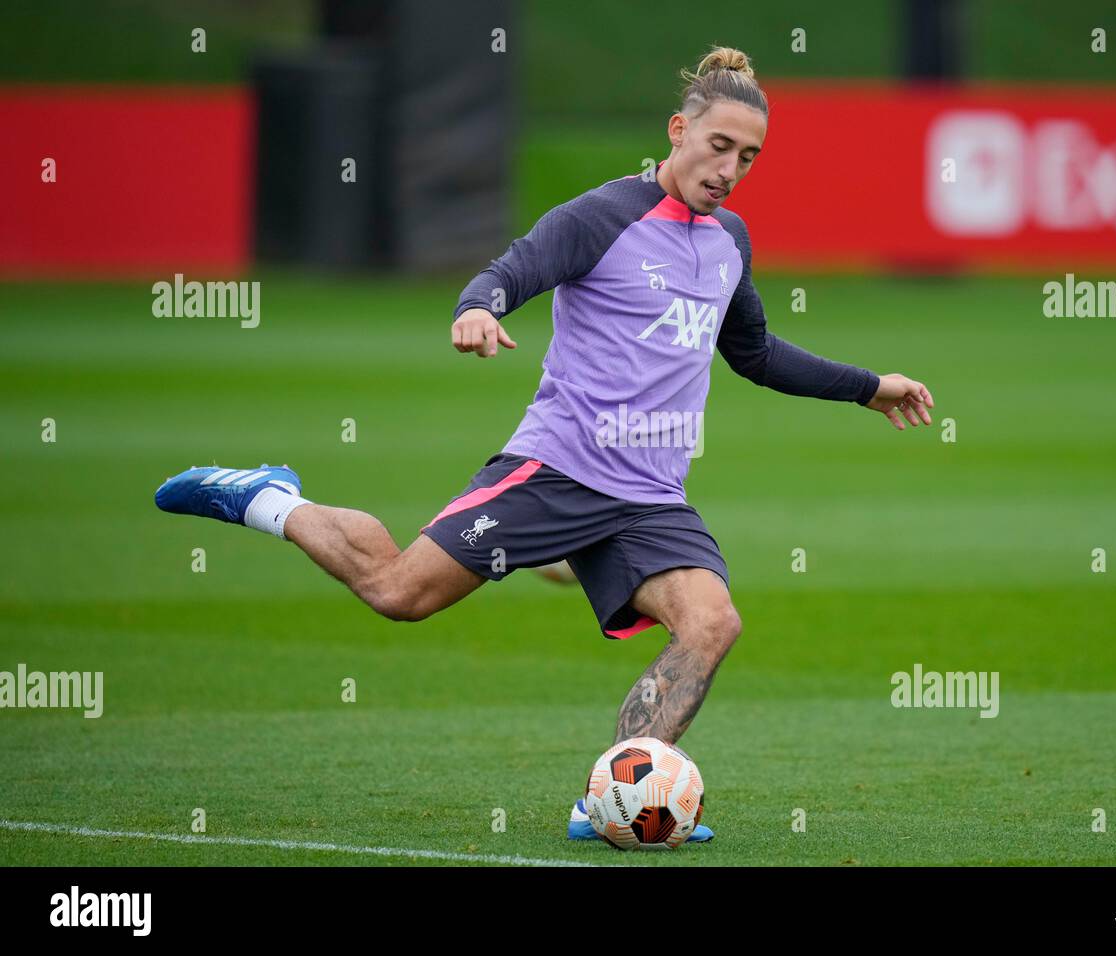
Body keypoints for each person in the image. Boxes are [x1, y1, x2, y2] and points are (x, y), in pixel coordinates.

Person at [154, 46, 934, 845]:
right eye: (719, 146)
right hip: (557, 470)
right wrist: (480, 308)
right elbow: (511, 270)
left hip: (652, 496)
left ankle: (614, 795)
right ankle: (268, 497)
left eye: (749, 156)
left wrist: (869, 386)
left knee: (711, 623)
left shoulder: (729, 240)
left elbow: (757, 354)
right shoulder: (603, 216)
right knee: (398, 593)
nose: (730, 168)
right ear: (679, 130)